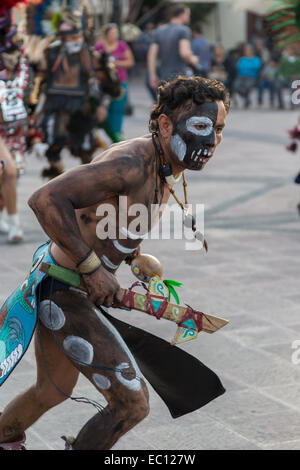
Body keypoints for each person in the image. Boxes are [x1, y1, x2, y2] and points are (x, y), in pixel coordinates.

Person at [0, 75, 229, 450]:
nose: (212, 141)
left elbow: (103, 215)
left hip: (69, 287)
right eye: (202, 126)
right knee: (131, 403)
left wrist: (132, 255)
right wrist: (92, 267)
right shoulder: (132, 163)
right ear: (166, 124)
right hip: (62, 290)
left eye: (219, 129)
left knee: (51, 391)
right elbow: (45, 199)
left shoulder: (165, 164)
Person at [34, 10, 110, 179]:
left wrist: (103, 105)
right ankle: (58, 184)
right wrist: (35, 106)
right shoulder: (50, 53)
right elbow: (38, 81)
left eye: (77, 37)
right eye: (70, 37)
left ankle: (87, 186)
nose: (75, 41)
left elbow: (107, 84)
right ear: (61, 37)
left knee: (85, 147)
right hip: (55, 105)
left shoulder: (90, 55)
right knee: (54, 144)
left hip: (82, 107)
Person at [0, 8, 29, 243]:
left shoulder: (24, 69)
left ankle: (4, 214)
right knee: (7, 171)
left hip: (16, 130)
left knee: (11, 176)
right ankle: (15, 224)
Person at [95, 23, 135, 139]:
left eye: (116, 33)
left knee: (117, 109)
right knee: (101, 110)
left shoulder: (122, 46)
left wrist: (115, 63)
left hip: (119, 83)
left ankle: (116, 135)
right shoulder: (100, 47)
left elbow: (130, 62)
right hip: (102, 84)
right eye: (112, 33)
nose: (115, 35)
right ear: (106, 35)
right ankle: (110, 133)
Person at [147, 4, 198, 91]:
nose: (189, 17)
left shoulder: (159, 31)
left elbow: (151, 55)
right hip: (180, 76)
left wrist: (152, 75)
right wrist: (194, 59)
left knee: (167, 102)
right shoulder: (184, 30)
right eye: (187, 14)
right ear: (182, 15)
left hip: (163, 75)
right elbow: (184, 53)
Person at [233, 43, 261, 108]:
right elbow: (238, 67)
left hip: (252, 76)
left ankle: (246, 100)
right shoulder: (242, 59)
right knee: (236, 86)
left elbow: (256, 67)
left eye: (248, 50)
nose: (247, 52)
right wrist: (248, 67)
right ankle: (247, 99)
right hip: (241, 76)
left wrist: (246, 67)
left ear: (252, 51)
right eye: (246, 50)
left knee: (247, 86)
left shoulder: (256, 59)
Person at [275, 45, 300, 109]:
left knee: (293, 86)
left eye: (290, 50)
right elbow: (280, 71)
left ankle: (292, 104)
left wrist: (296, 76)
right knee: (278, 86)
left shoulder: (298, 60)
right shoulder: (283, 60)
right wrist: (284, 76)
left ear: (294, 51)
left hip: (295, 79)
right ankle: (281, 104)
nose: (289, 51)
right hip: (285, 79)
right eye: (288, 50)